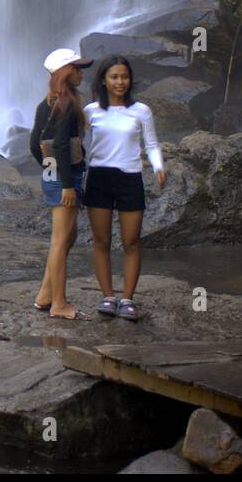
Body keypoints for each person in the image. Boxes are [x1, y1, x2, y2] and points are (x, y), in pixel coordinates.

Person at [83, 55, 166, 321]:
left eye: (124, 77)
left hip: (130, 178)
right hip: (99, 177)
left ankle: (128, 298)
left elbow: (151, 144)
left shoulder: (141, 110)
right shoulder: (91, 111)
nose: (120, 81)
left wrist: (158, 166)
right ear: (104, 81)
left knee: (131, 241)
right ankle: (108, 296)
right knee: (102, 240)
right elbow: (79, 144)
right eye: (115, 77)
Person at [29, 48, 95, 320]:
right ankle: (59, 304)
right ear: (66, 71)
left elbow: (35, 145)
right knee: (60, 240)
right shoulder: (67, 104)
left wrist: (49, 169)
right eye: (77, 68)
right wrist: (66, 184)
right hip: (67, 177)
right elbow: (59, 145)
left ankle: (45, 294)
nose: (81, 73)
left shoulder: (45, 104)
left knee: (69, 236)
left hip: (54, 174)